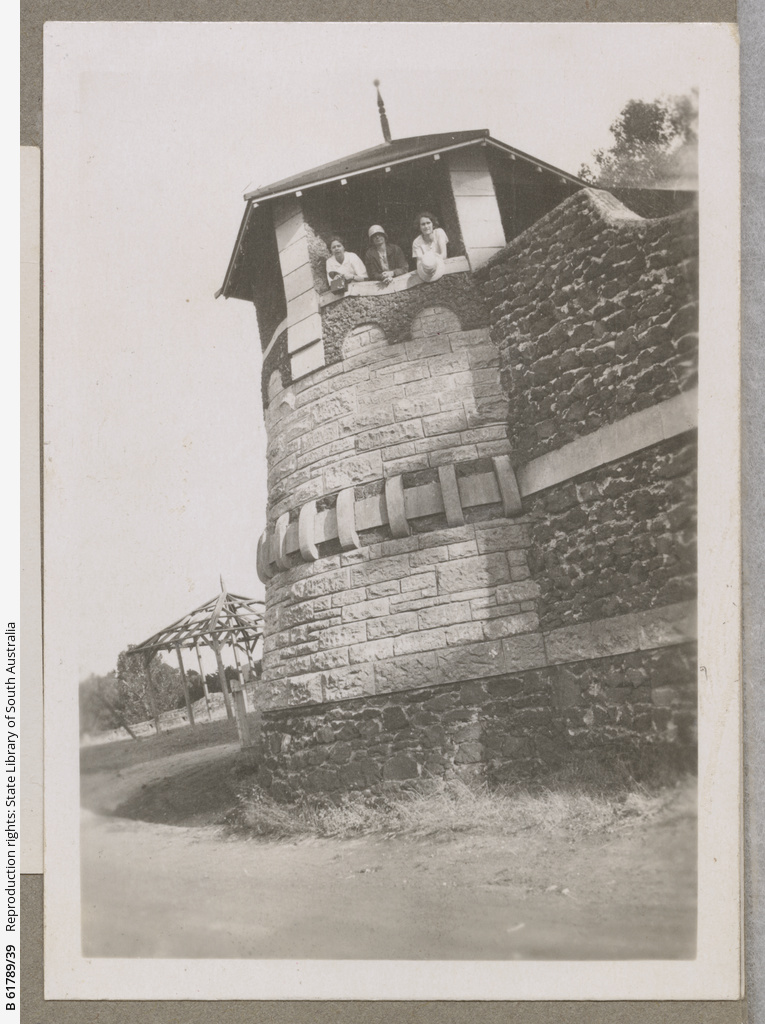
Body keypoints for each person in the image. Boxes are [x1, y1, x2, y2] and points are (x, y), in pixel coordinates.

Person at [412, 212, 448, 282]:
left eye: (428, 223)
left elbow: (444, 255)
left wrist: (432, 263)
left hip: (443, 268)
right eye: (423, 224)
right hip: (428, 273)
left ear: (433, 224)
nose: (426, 226)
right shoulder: (416, 242)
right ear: (419, 227)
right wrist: (429, 266)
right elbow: (419, 263)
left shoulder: (439, 233)